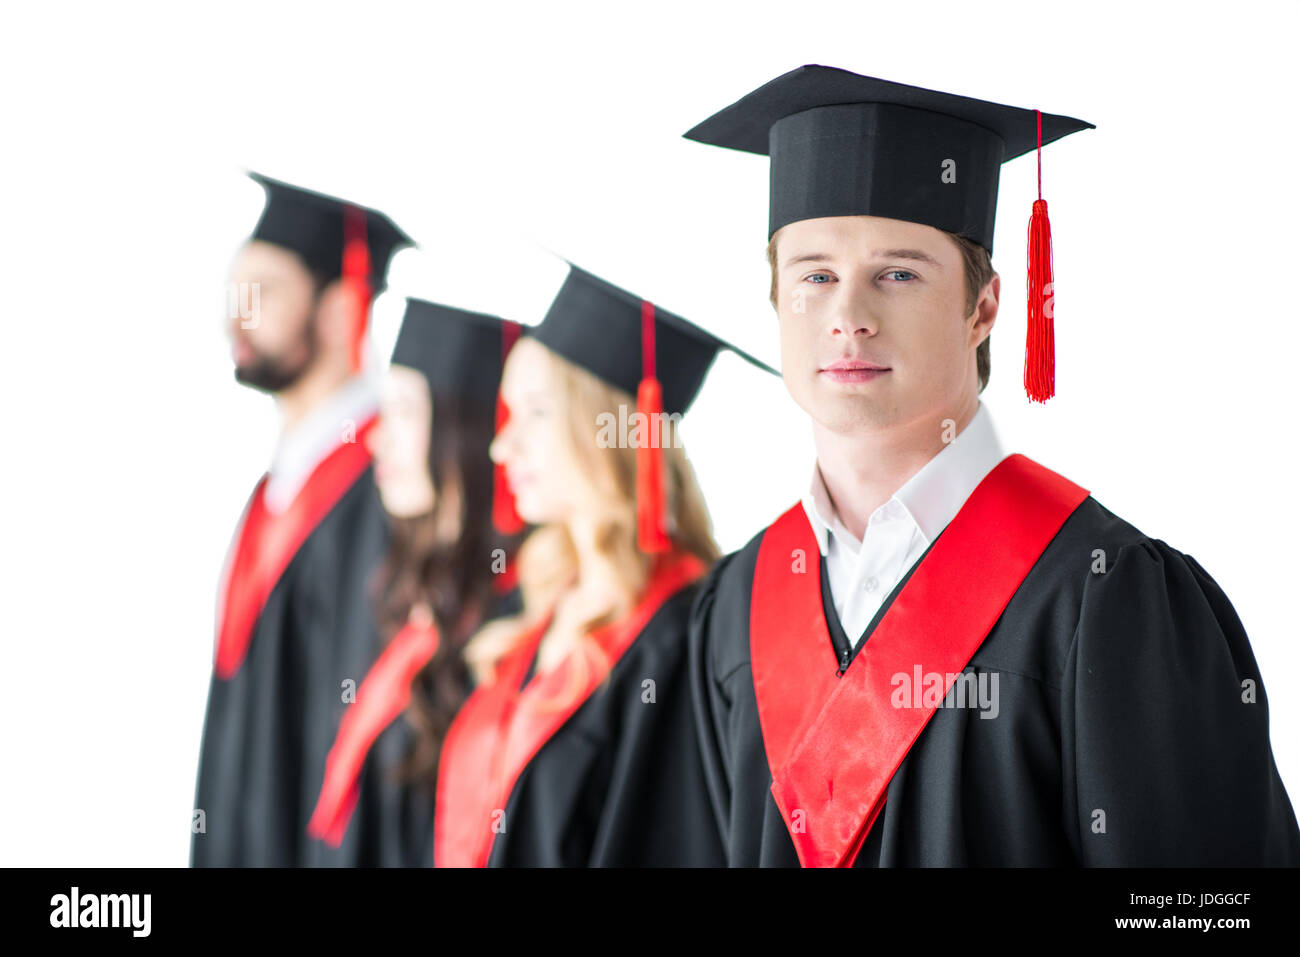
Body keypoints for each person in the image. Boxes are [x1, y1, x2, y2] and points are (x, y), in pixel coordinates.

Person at [682, 64, 1300, 866]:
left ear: (984, 309)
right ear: (776, 303)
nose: (849, 317)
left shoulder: (1105, 596)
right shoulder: (735, 605)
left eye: (897, 274)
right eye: (816, 277)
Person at [433, 261, 775, 866]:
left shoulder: (683, 637)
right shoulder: (541, 595)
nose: (501, 445)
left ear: (613, 429)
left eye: (536, 413)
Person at [191, 172, 413, 866]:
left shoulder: (390, 484)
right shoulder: (274, 489)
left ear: (344, 307)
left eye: (265, 292)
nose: (238, 314)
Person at [304, 299, 526, 866]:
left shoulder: (515, 616)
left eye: (403, 411)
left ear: (463, 426)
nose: (377, 438)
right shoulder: (416, 589)